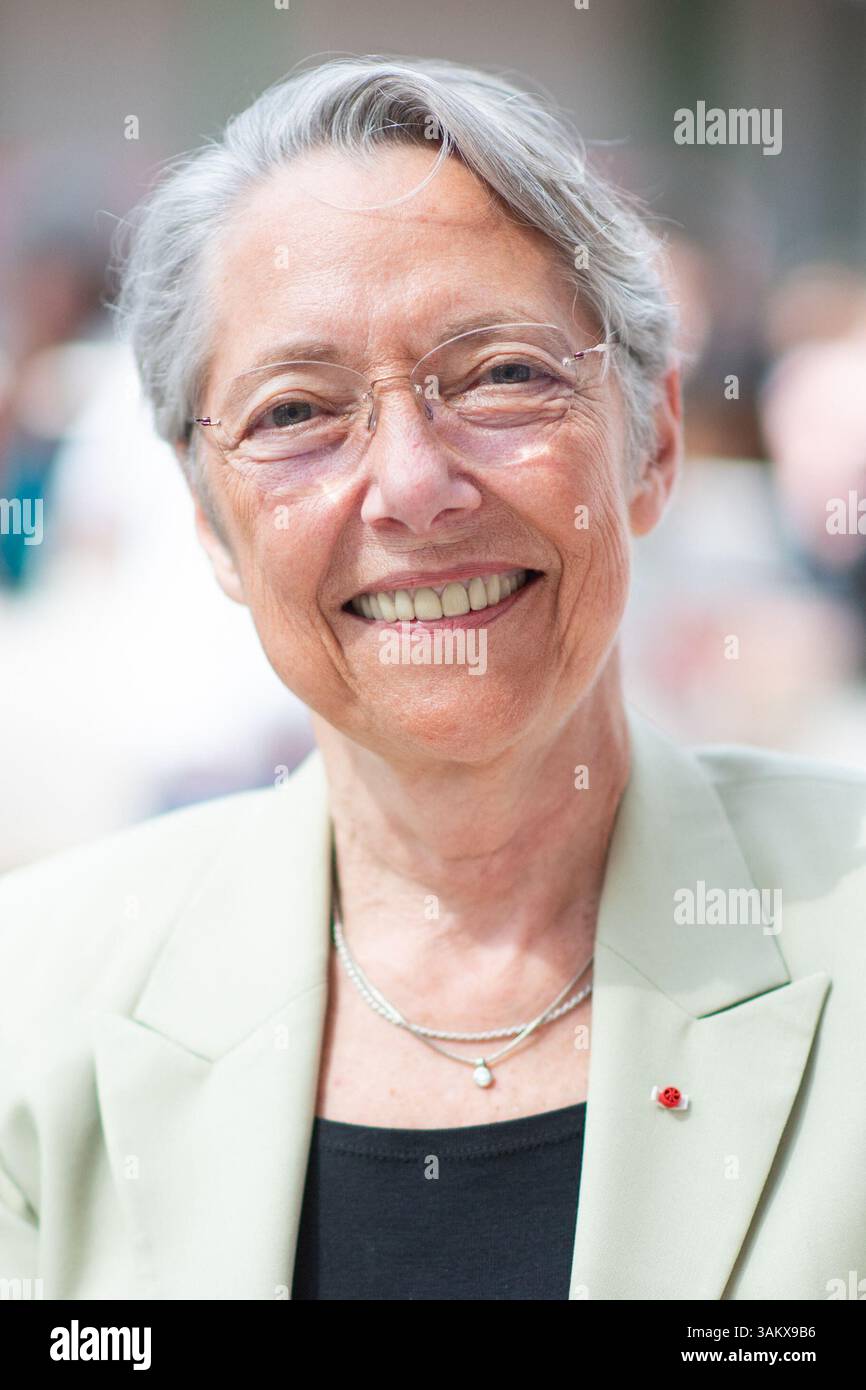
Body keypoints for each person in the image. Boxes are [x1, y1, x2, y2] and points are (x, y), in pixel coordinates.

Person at [1, 56, 864, 1302]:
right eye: (297, 410)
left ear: (653, 441)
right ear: (209, 522)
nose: (412, 486)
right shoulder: (38, 1010)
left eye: (502, 374)